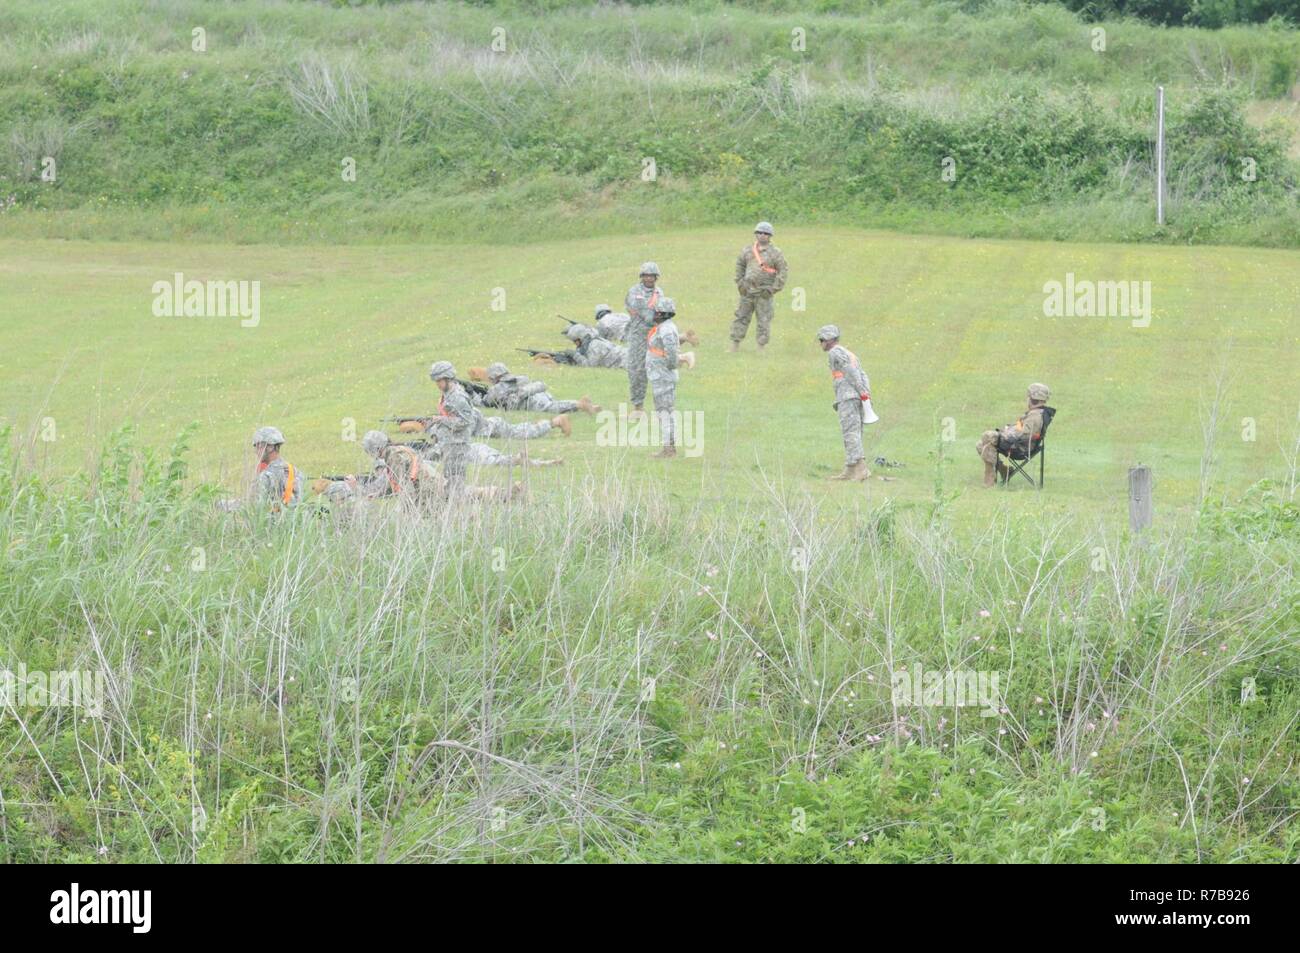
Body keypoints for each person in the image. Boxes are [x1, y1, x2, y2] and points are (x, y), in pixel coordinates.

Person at [816, 325, 876, 481]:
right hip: (856, 396)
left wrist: (861, 392)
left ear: (829, 340)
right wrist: (865, 394)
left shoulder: (835, 353)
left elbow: (851, 372)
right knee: (854, 431)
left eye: (821, 340)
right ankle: (850, 469)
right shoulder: (849, 353)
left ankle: (861, 469)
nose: (820, 343)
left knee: (850, 433)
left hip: (848, 396)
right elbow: (863, 374)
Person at [977, 383, 1050, 487]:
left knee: (988, 436)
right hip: (1018, 444)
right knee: (981, 445)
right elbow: (1022, 430)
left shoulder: (1036, 416)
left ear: (1033, 398)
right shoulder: (1036, 413)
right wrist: (1008, 430)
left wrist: (1005, 435)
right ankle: (1004, 471)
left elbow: (1025, 436)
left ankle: (989, 482)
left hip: (1020, 448)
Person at [730, 221, 788, 352]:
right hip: (747, 291)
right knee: (741, 317)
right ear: (756, 234)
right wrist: (740, 282)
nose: (762, 235)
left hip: (764, 292)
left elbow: (783, 271)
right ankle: (735, 345)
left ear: (770, 236)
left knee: (764, 320)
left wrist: (773, 289)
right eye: (759, 233)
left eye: (765, 233)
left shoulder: (775, 253)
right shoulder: (747, 250)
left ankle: (761, 347)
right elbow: (740, 265)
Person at [427, 360, 476, 496]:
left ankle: (460, 511)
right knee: (449, 482)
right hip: (449, 445)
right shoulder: (447, 395)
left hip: (458, 446)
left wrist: (441, 420)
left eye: (439, 381)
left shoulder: (458, 397)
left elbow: (465, 422)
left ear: (448, 379)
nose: (437, 384)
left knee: (456, 484)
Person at [624, 262, 665, 418]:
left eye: (652, 276)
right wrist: (655, 317)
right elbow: (643, 312)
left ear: (656, 277)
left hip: (655, 335)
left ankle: (661, 406)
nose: (649, 278)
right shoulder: (635, 292)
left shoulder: (659, 292)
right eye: (646, 276)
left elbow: (663, 311)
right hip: (638, 337)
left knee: (659, 371)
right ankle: (638, 407)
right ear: (642, 277)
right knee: (637, 371)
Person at [482, 363, 598, 414]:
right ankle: (586, 406)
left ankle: (580, 405)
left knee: (551, 408)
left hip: (531, 401)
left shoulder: (498, 387)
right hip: (541, 394)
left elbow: (486, 402)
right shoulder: (520, 378)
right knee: (555, 405)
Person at [646, 296, 683, 459]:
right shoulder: (663, 327)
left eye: (655, 311)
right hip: (659, 375)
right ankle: (668, 447)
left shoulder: (666, 329)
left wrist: (668, 366)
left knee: (665, 412)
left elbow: (672, 353)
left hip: (663, 376)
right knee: (663, 411)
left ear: (662, 313)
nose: (653, 313)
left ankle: (669, 449)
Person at [252, 426, 301, 509]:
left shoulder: (266, 476)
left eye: (258, 446)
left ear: (270, 447)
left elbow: (257, 508)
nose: (256, 451)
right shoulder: (294, 471)